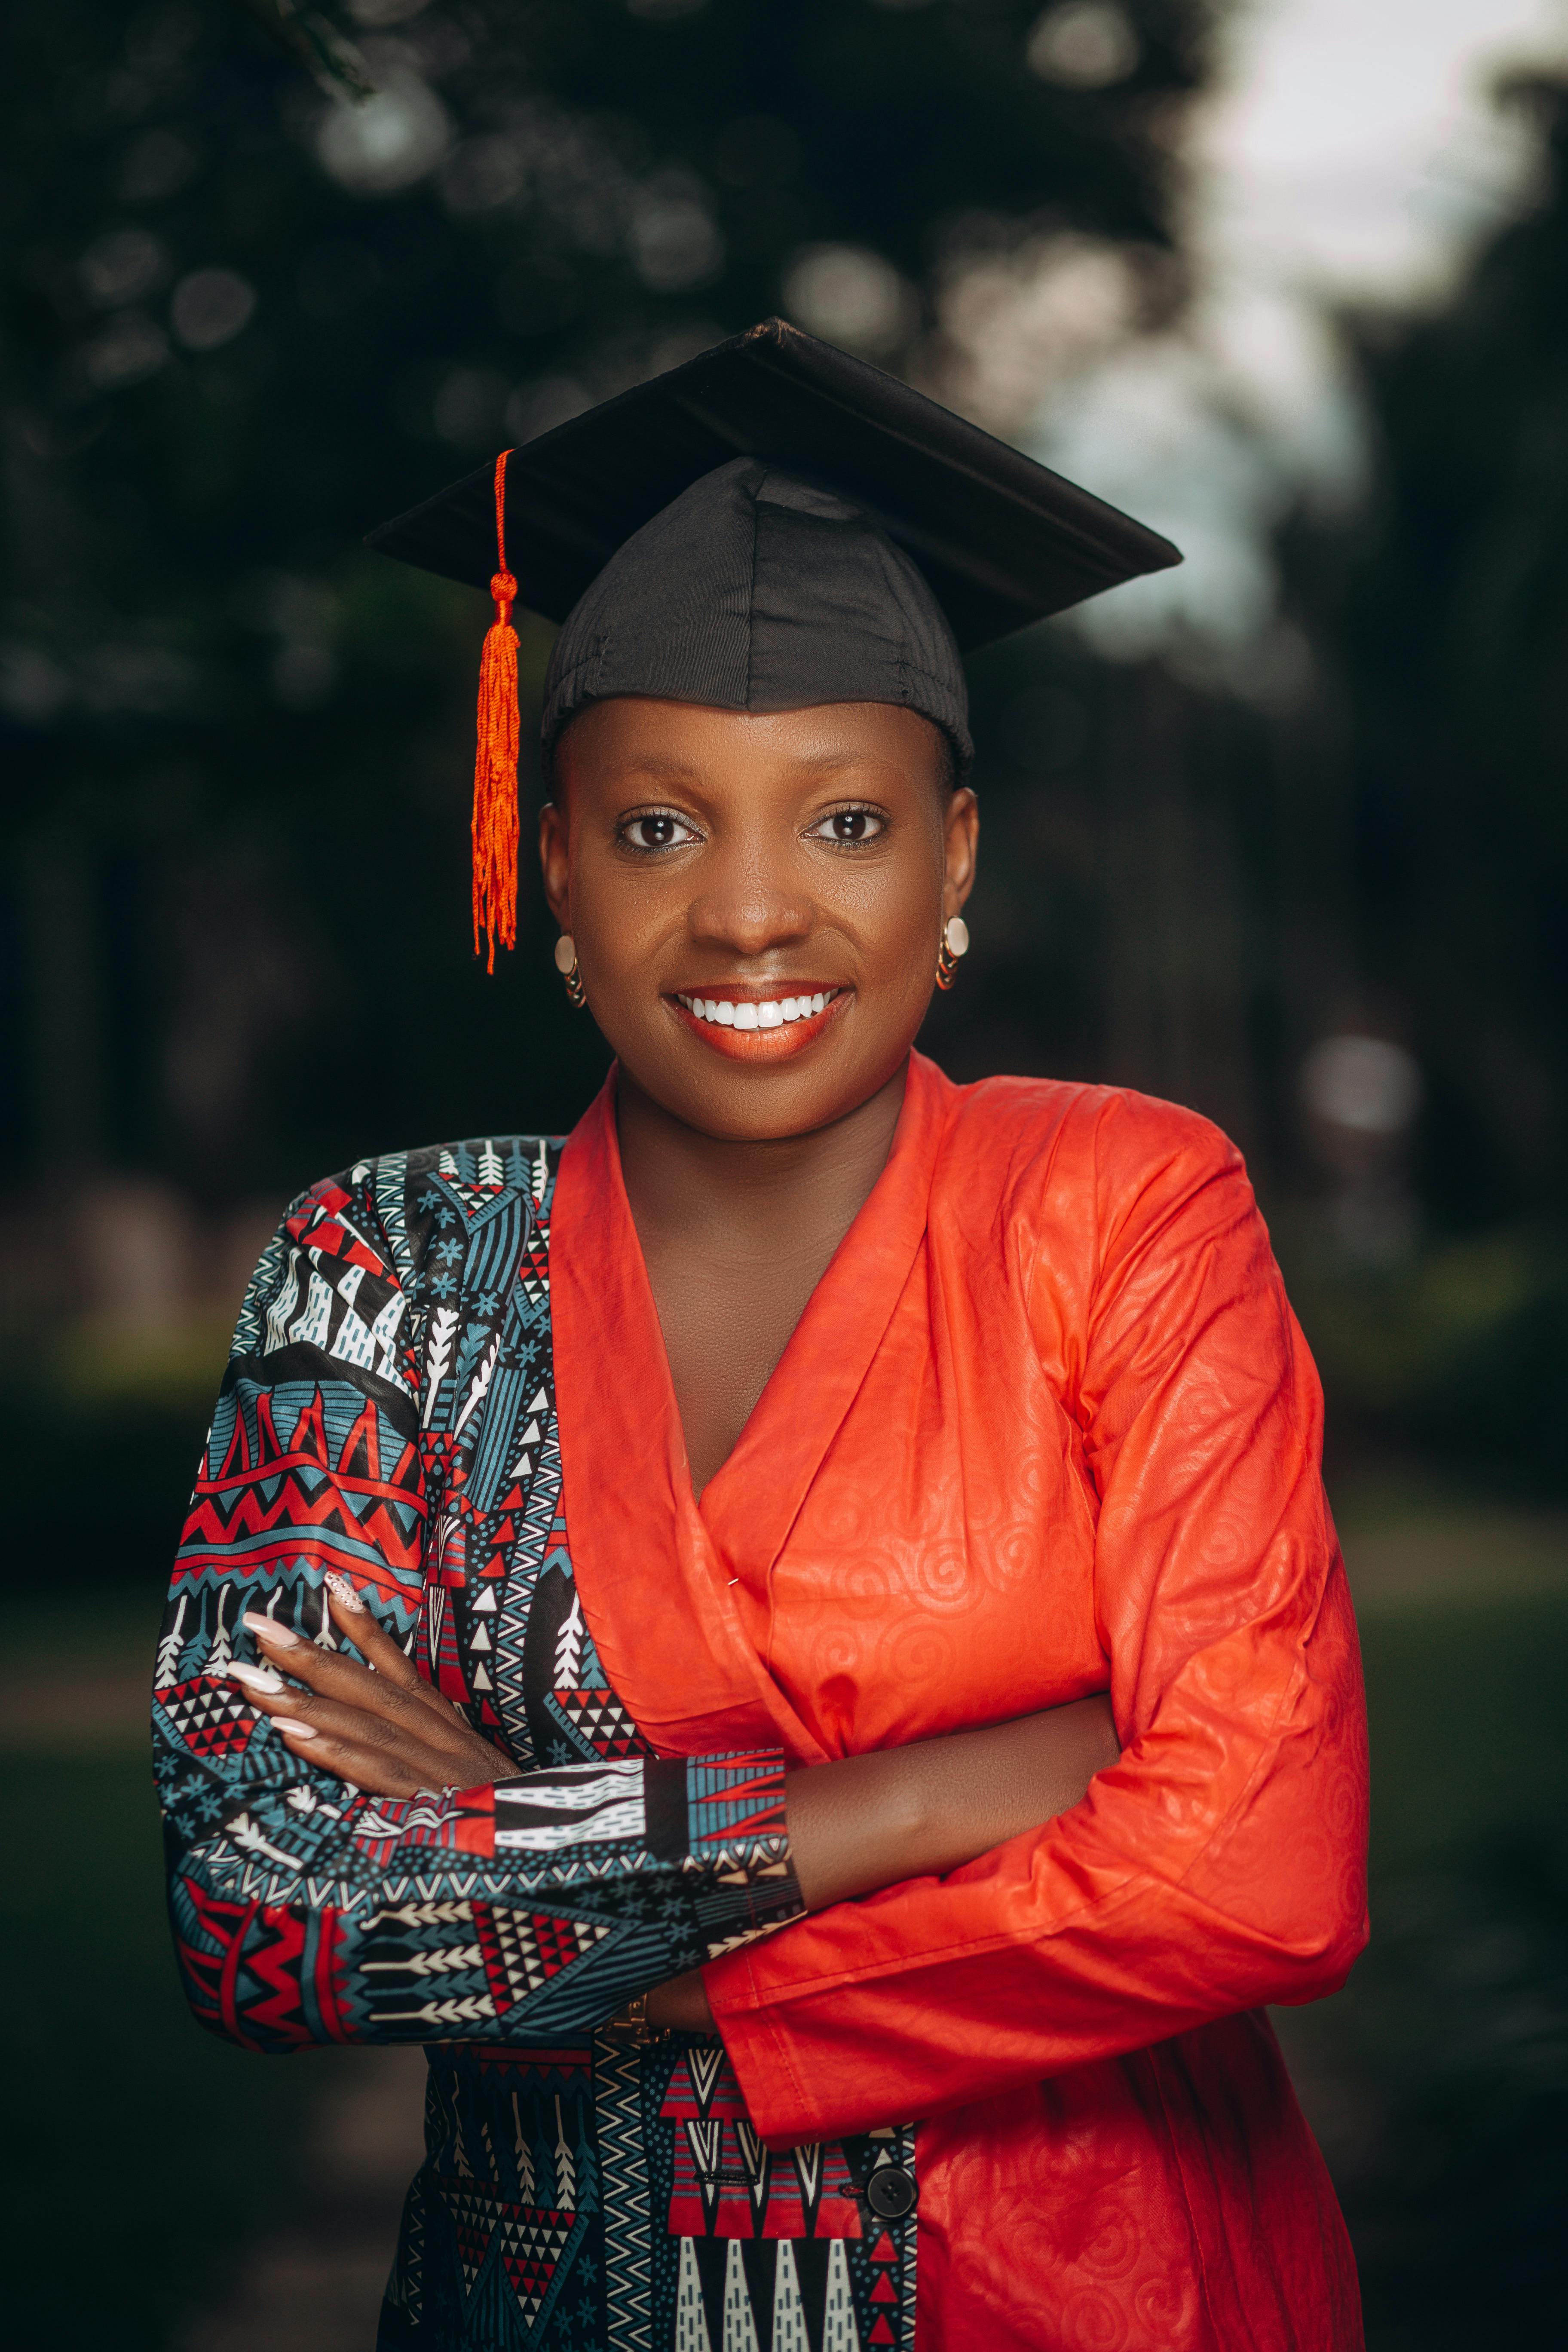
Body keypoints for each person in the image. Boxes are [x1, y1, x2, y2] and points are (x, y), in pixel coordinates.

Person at [155, 321, 1368, 2351]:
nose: (745, 916)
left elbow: (1257, 1871)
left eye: (845, 823)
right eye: (655, 829)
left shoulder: (1127, 1209)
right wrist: (931, 1801)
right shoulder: (388, 1263)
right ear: (552, 860)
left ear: (955, 860)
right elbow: (263, 1903)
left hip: (1085, 2292)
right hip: (549, 2300)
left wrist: (632, 1942)